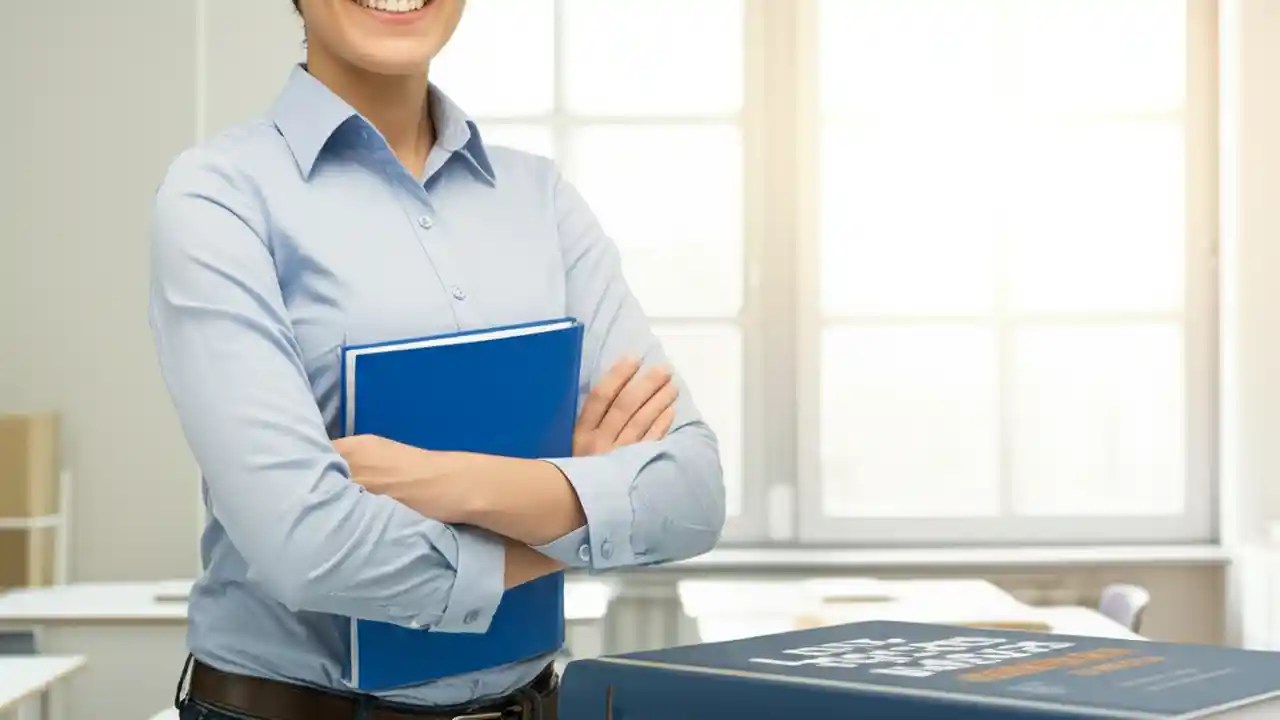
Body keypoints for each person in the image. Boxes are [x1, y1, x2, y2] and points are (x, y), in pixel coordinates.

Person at [147, 0, 726, 718]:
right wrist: (577, 512)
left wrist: (446, 482)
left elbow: (693, 497)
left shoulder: (540, 200)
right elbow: (305, 546)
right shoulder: (219, 197)